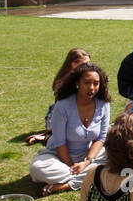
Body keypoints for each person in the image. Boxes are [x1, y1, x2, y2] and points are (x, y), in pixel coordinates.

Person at [29, 62, 111, 193]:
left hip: (88, 156)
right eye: (87, 83)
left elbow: (101, 138)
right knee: (37, 168)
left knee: (117, 159)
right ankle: (91, 177)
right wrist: (72, 166)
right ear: (77, 83)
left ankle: (67, 184)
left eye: (96, 83)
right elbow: (59, 141)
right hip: (59, 156)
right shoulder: (62, 106)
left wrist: (87, 162)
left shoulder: (103, 105)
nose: (92, 88)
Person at [27, 48, 90, 144]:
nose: (88, 67)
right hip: (61, 116)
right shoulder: (65, 81)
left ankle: (46, 135)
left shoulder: (79, 77)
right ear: (73, 64)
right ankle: (45, 137)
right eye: (85, 64)